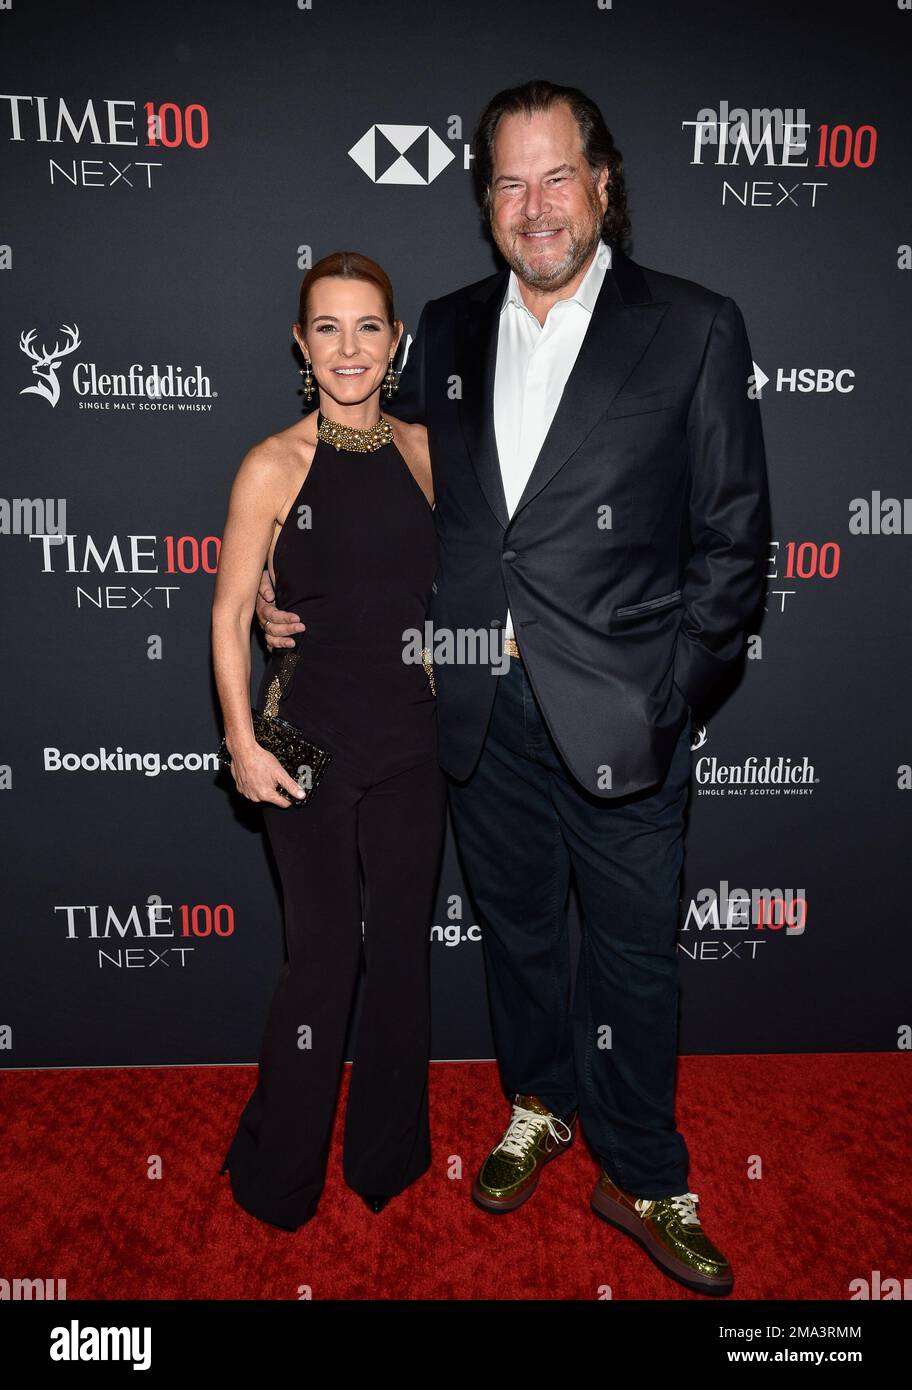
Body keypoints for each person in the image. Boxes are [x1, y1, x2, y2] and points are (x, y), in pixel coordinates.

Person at [256, 79, 771, 1294]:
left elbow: (736, 542)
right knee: (522, 938)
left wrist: (672, 693)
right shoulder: (444, 324)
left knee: (637, 960)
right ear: (484, 203)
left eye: (555, 177)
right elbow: (401, 500)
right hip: (475, 705)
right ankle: (540, 1100)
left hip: (626, 711)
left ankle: (644, 1168)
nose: (533, 207)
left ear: (602, 183)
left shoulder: (693, 325)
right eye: (506, 183)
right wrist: (292, 592)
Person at [211, 251, 447, 1232]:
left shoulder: (429, 450)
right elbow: (230, 616)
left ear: (393, 341)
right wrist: (239, 740)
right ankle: (280, 1171)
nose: (349, 348)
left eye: (368, 327)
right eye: (328, 328)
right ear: (301, 345)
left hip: (412, 745)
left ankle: (387, 1154)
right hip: (303, 743)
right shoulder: (275, 461)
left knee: (399, 954)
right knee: (320, 965)